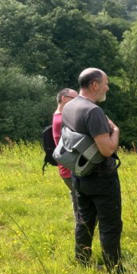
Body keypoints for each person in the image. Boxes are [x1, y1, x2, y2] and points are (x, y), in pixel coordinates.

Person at [61, 68, 123, 274]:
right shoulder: (93, 111)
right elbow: (106, 149)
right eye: (105, 82)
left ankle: (82, 261)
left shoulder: (69, 106)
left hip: (79, 175)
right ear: (94, 85)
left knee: (84, 221)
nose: (107, 86)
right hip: (102, 178)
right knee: (110, 225)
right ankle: (114, 270)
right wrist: (115, 131)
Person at [51, 88, 78, 219]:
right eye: (74, 98)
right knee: (82, 203)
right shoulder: (62, 119)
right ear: (64, 98)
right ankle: (83, 232)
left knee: (78, 199)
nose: (78, 101)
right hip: (70, 168)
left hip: (67, 167)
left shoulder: (58, 115)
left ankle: (83, 230)